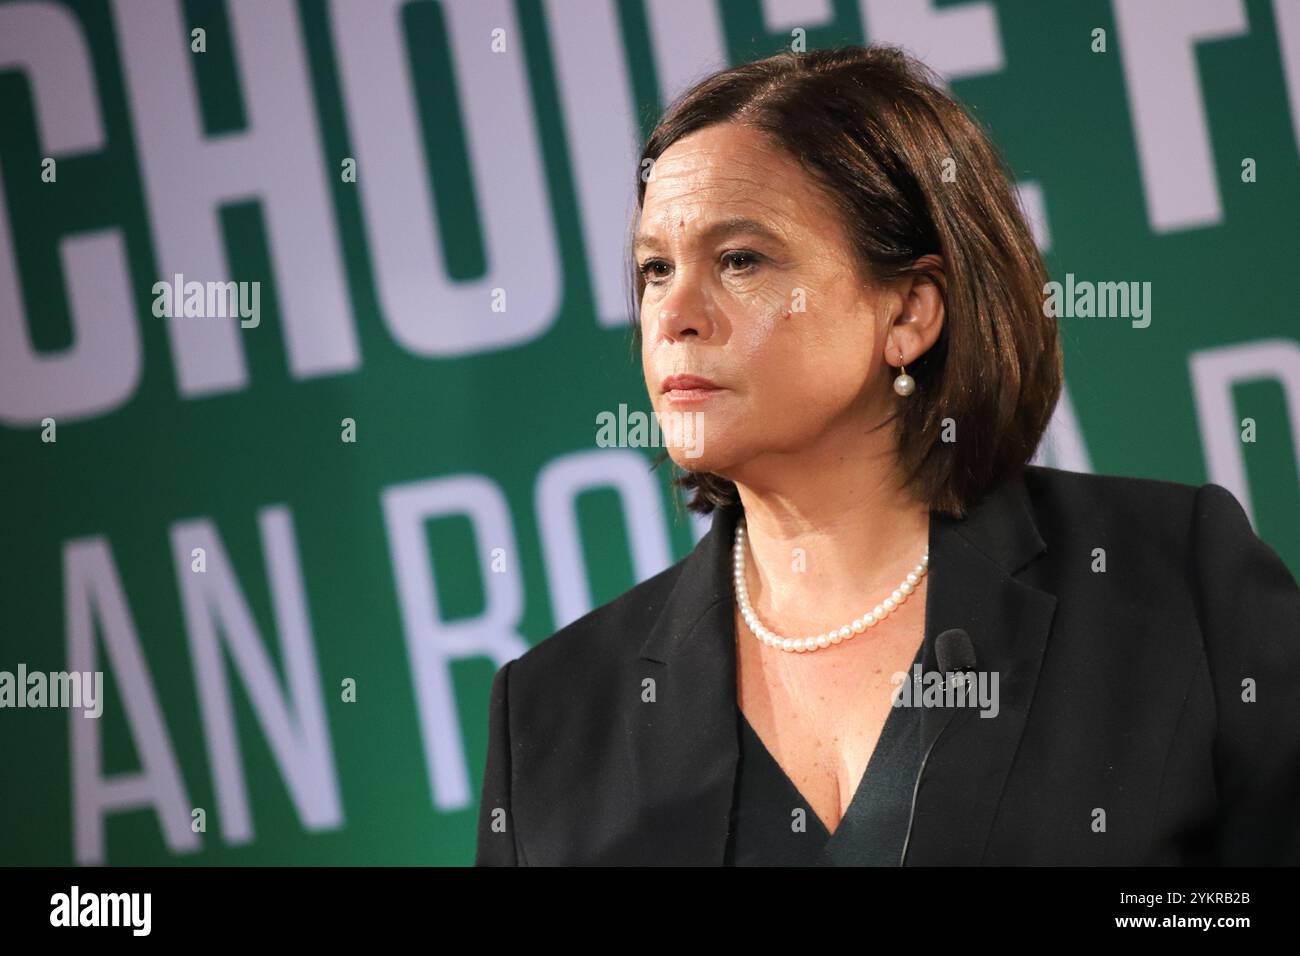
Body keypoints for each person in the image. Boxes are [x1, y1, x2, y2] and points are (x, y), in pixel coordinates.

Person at [475, 44, 1300, 866]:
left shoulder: (1173, 581)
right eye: (655, 269)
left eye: (739, 261)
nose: (674, 315)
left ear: (908, 313)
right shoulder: (550, 716)